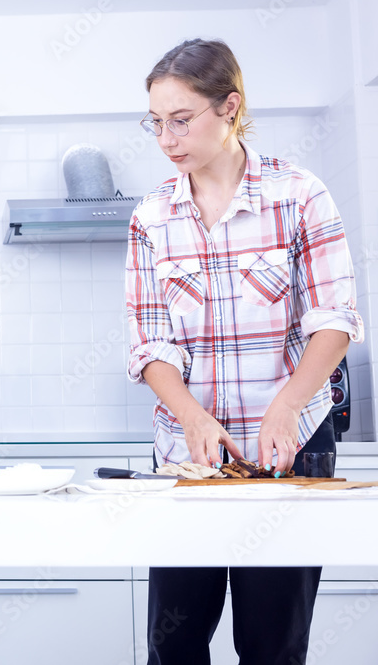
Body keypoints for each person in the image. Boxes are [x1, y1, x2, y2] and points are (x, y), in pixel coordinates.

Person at [125, 39, 364, 664]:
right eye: (157, 122)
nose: (166, 138)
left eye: (181, 119)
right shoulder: (151, 217)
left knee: (272, 646)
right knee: (172, 644)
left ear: (229, 107)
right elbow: (151, 343)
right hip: (190, 459)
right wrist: (192, 417)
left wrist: (287, 405)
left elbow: (334, 321)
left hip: (289, 451)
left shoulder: (300, 194)